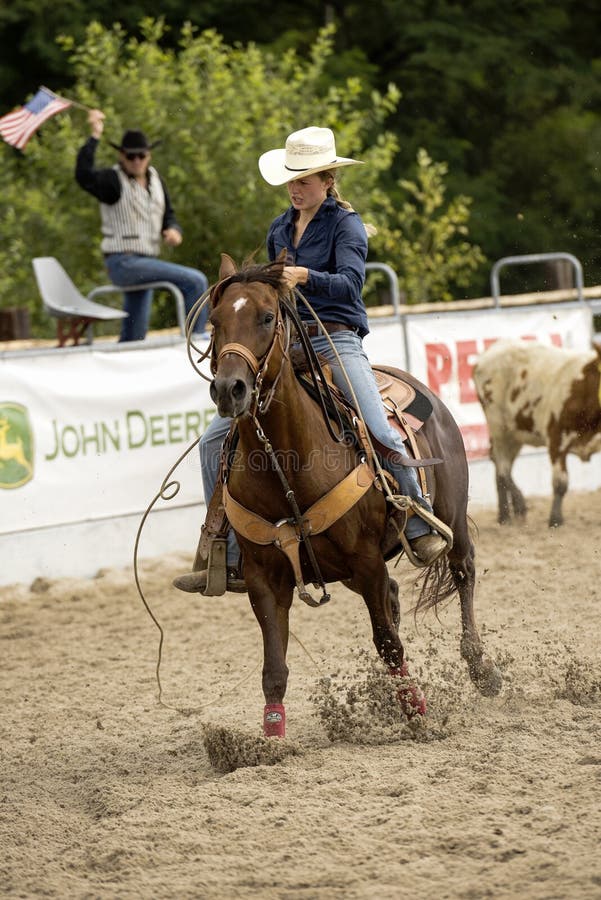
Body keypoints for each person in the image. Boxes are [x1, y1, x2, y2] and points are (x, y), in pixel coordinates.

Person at [174, 126, 447, 594]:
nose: (295, 188)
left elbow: (350, 285)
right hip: (284, 347)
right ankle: (227, 549)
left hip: (335, 340)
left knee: (378, 427)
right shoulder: (280, 226)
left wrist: (305, 275)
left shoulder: (346, 225)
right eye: (291, 180)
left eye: (304, 180)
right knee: (213, 442)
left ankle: (419, 519)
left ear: (327, 180)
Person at [75, 108, 209, 342]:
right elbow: (83, 175)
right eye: (130, 156)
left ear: (149, 155)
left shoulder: (156, 180)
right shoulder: (111, 181)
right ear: (121, 156)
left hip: (146, 262)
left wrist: (174, 230)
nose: (136, 161)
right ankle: (196, 341)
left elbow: (169, 215)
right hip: (123, 261)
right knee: (195, 281)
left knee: (135, 333)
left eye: (141, 156)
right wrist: (94, 136)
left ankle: (122, 363)